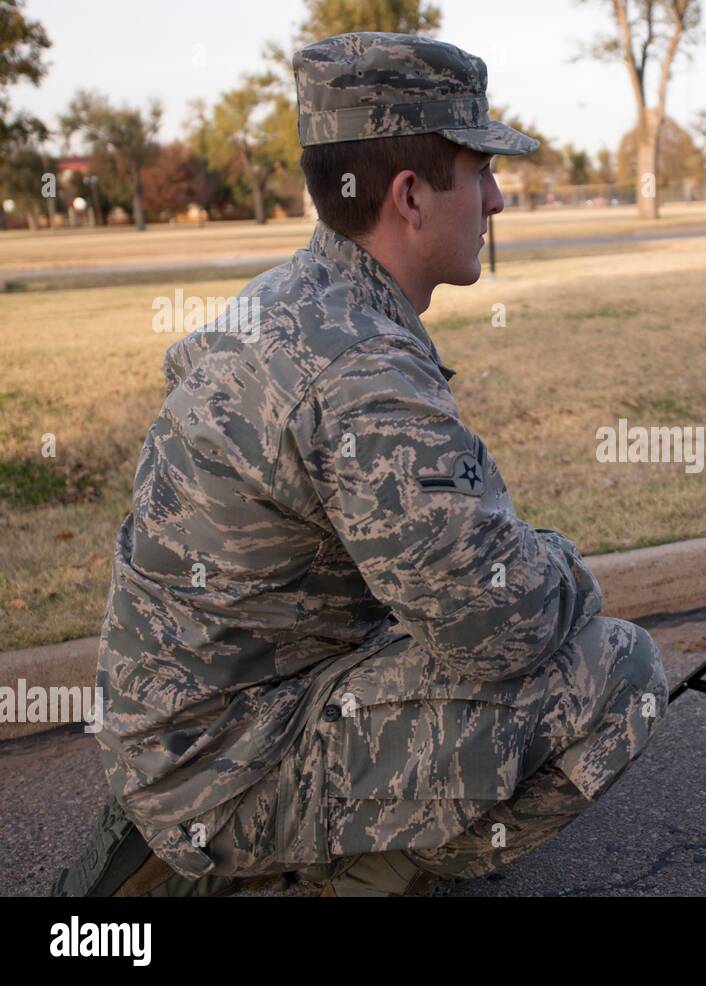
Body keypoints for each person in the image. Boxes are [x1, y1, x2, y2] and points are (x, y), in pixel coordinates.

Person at [52, 32, 670, 898]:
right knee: (620, 677)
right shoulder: (361, 370)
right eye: (479, 171)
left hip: (180, 720)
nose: (496, 201)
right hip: (228, 763)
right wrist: (565, 562)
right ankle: (292, 880)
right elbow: (504, 627)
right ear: (412, 197)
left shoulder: (287, 296)